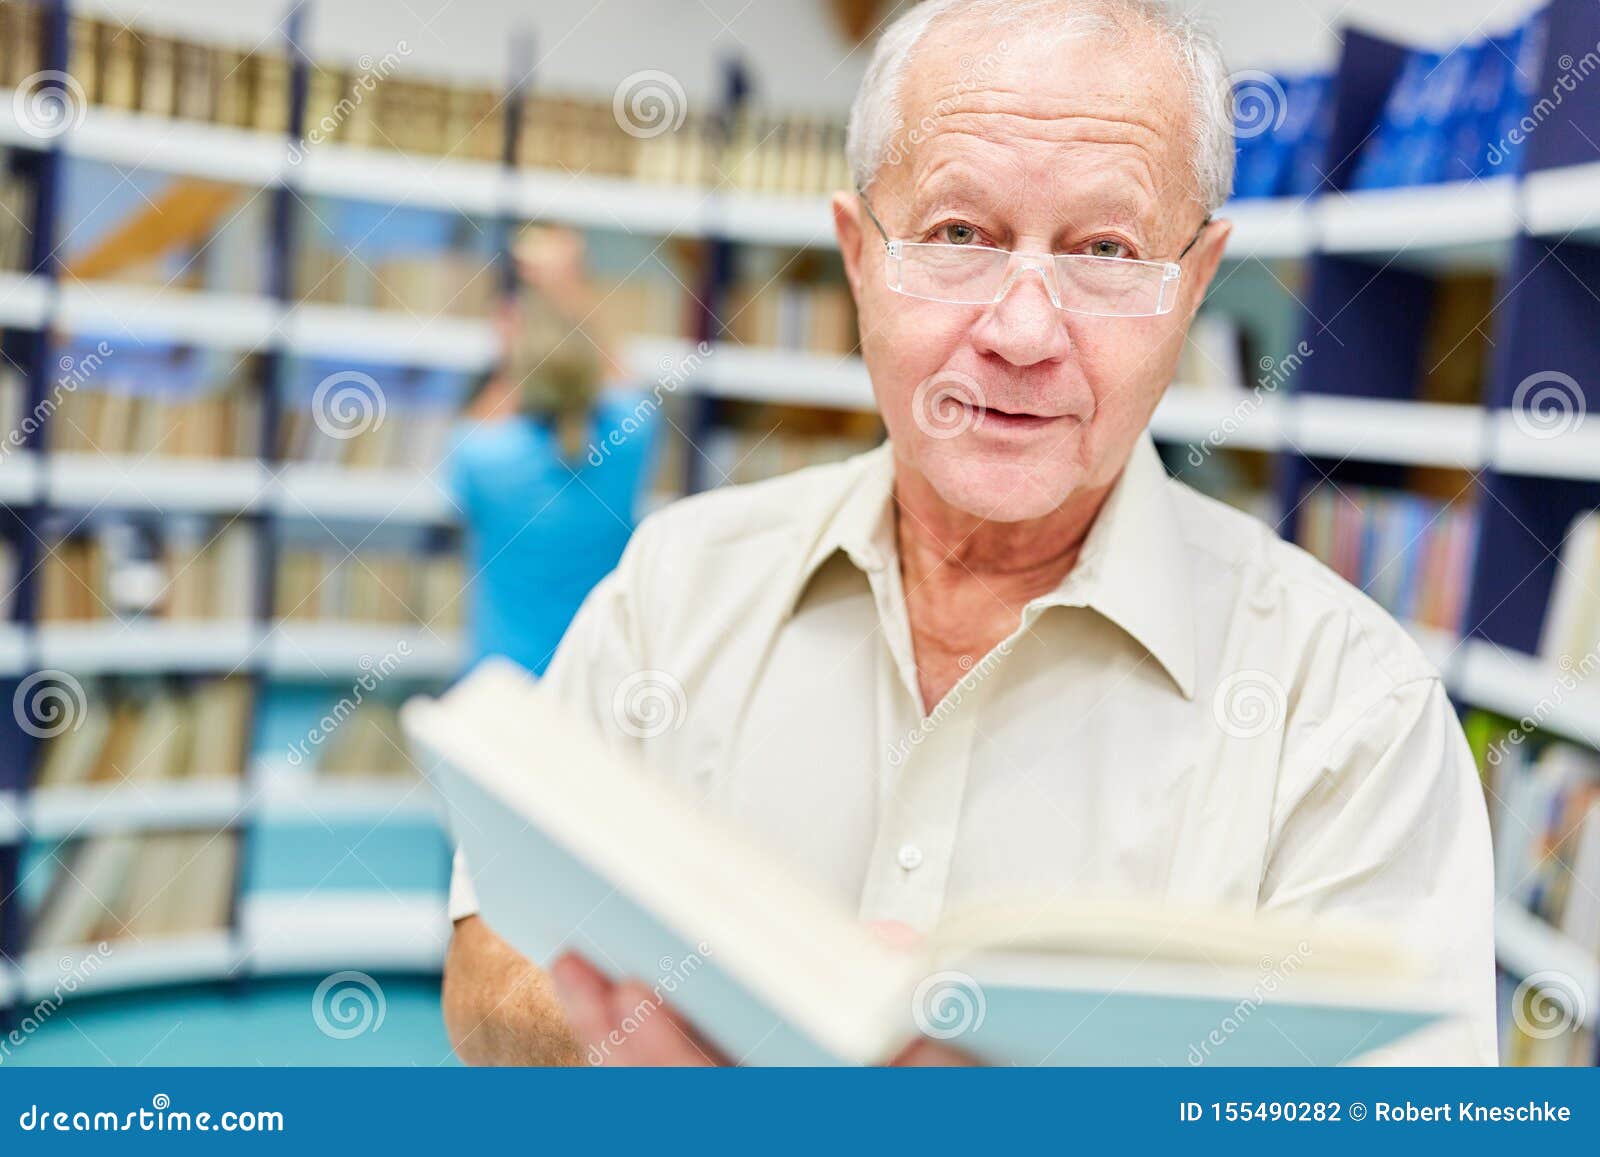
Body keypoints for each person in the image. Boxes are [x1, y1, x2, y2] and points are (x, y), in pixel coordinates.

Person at [441, 0, 1496, 1066]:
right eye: (958, 235)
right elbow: (490, 962)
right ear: (856, 256)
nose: (1023, 333)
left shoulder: (1354, 714)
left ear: (1193, 284)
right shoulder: (675, 587)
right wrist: (647, 1040)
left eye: (1104, 249)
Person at [448, 226, 659, 677]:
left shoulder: (485, 459)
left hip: (502, 685)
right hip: (592, 679)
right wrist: (570, 289)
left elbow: (480, 422)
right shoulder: (624, 442)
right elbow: (624, 377)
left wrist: (514, 345)